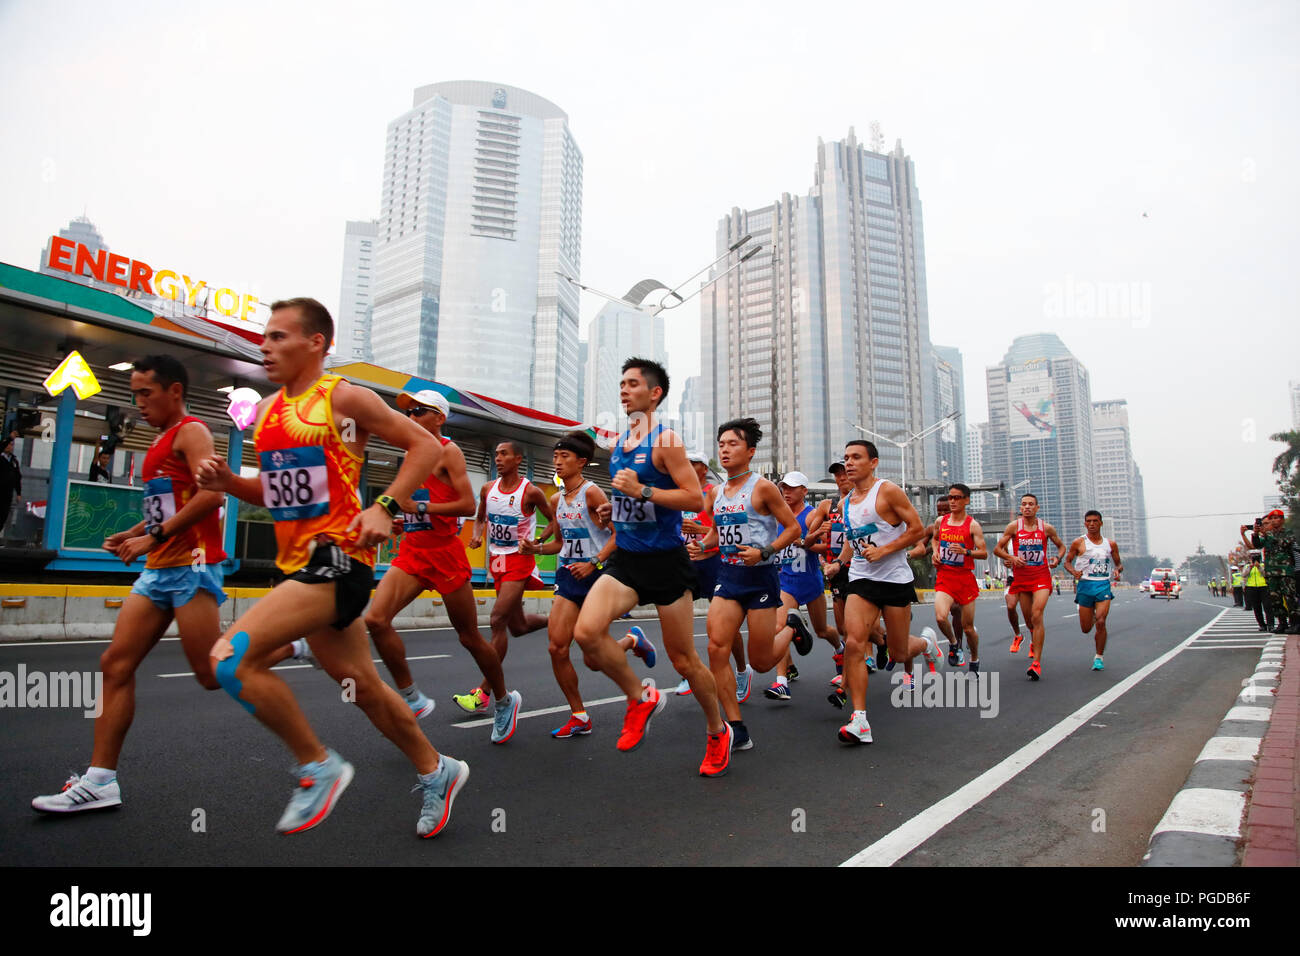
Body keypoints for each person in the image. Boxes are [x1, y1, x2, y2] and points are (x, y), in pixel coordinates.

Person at [194, 297, 470, 837]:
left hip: (340, 560)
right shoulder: (267, 414)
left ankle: (317, 766)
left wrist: (384, 506)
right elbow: (277, 494)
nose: (264, 346)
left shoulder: (342, 396)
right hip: (297, 566)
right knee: (363, 686)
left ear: (316, 342)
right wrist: (229, 483)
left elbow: (423, 446)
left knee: (230, 660)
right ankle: (437, 769)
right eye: (264, 337)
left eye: (278, 336)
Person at [32, 355, 257, 814]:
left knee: (211, 675)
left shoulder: (192, 432)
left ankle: (288, 644)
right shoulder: (158, 441)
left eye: (145, 393)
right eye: (134, 393)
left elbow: (213, 495)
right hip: (157, 569)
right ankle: (100, 781)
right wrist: (134, 533)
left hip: (192, 565)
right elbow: (169, 505)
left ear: (174, 391)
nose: (138, 402)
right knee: (115, 664)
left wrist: (151, 537)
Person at [572, 358, 728, 776]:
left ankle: (717, 730)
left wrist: (641, 490)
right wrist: (614, 508)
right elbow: (631, 499)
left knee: (684, 661)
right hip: (627, 559)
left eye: (633, 384)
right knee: (586, 633)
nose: (624, 390)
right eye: (622, 383)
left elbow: (694, 498)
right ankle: (640, 697)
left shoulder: (667, 441)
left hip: (665, 563)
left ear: (654, 393)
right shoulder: (620, 443)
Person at [361, 389, 511, 738]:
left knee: (469, 637)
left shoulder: (448, 450)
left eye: (419, 411)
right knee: (375, 620)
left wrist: (420, 509)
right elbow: (410, 501)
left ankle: (503, 700)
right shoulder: (410, 452)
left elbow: (467, 506)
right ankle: (412, 697)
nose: (411, 416)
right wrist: (401, 519)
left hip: (445, 555)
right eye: (409, 411)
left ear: (439, 417)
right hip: (413, 552)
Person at [529, 430, 656, 738]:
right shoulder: (556, 499)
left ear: (581, 462)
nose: (558, 462)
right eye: (555, 457)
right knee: (557, 647)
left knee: (593, 660)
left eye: (565, 457)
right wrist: (535, 548)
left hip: (597, 576)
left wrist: (594, 562)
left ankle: (632, 640)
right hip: (568, 576)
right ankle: (579, 715)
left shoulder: (592, 493)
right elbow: (559, 543)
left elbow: (618, 535)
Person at [698, 420, 803, 751]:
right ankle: (736, 725)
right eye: (721, 444)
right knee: (716, 648)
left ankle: (791, 627)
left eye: (733, 444)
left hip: (761, 578)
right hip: (728, 577)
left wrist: (764, 552)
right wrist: (701, 546)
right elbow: (717, 533)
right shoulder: (716, 492)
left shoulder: (764, 488)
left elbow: (793, 529)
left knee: (761, 662)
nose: (725, 450)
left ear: (750, 451)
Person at [832, 439, 936, 744]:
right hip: (861, 578)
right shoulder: (845, 503)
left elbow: (917, 529)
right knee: (854, 642)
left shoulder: (887, 491)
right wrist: (839, 563)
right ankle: (859, 720)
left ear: (873, 462)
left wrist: (885, 550)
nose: (849, 463)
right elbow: (852, 540)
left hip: (894, 580)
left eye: (856, 457)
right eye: (846, 457)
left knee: (899, 652)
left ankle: (927, 644)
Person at [457, 441, 554, 713]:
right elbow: (480, 518)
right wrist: (477, 535)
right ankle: (557, 620)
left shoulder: (530, 492)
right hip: (497, 560)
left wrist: (537, 542)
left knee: (497, 620)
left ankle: (484, 693)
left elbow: (553, 521)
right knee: (517, 626)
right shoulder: (488, 488)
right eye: (496, 454)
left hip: (519, 560)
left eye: (504, 454)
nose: (498, 458)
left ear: (518, 459)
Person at [762, 471, 841, 700]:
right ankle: (781, 682)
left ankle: (840, 649)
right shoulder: (778, 515)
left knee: (822, 630)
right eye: (784, 488)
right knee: (779, 626)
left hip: (809, 580)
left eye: (792, 488)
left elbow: (826, 545)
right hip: (786, 581)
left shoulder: (811, 515)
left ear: (804, 491)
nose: (786, 492)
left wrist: (804, 544)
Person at [677, 451, 749, 698]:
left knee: (724, 625)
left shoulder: (714, 493)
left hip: (714, 562)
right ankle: (689, 672)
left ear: (703, 468)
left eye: (693, 463)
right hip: (687, 563)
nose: (688, 466)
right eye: (686, 462)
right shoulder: (680, 494)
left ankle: (741, 670)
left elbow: (724, 530)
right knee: (680, 621)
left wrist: (700, 529)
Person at [993, 493, 1066, 680]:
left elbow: (1061, 546)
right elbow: (997, 549)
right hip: (1022, 578)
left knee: (1036, 614)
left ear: (1037, 508)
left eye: (1031, 504)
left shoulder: (1046, 528)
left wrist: (1057, 558)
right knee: (1029, 620)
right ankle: (1033, 639)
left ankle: (1036, 663)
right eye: (1024, 504)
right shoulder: (1013, 527)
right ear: (1020, 508)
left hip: (1041, 576)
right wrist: (1011, 558)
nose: (1027, 507)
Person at [927, 483, 988, 674]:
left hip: (965, 580)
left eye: (957, 498)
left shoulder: (973, 525)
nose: (952, 501)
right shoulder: (941, 521)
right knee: (940, 617)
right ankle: (954, 644)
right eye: (950, 497)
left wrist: (966, 552)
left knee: (968, 628)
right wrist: (935, 552)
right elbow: (935, 539)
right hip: (945, 577)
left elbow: (984, 553)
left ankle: (974, 659)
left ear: (966, 500)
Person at [1063, 510, 1123, 670]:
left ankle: (1099, 657)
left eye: (1095, 521)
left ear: (1101, 523)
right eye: (1088, 521)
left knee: (1101, 622)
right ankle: (1093, 616)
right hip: (1085, 586)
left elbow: (1118, 563)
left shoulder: (1110, 544)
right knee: (1086, 628)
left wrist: (1117, 571)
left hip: (1102, 585)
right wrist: (1074, 572)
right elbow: (1067, 562)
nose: (1092, 524)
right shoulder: (1078, 542)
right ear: (1085, 524)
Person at [1243, 510, 1299, 633]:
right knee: (1275, 599)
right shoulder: (1267, 535)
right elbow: (1257, 545)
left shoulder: (1287, 533)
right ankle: (1282, 623)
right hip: (1271, 572)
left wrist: (1267, 534)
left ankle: (1295, 623)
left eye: (1276, 518)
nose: (1273, 520)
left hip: (1285, 571)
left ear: (1282, 520)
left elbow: (1284, 543)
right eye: (1271, 518)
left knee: (1290, 598)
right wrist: (1255, 534)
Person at [1243, 553, 1273, 632]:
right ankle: (1262, 625)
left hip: (1264, 587)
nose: (1255, 560)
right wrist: (1250, 567)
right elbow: (1244, 575)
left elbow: (1266, 574)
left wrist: (1259, 567)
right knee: (1256, 608)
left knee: (1267, 606)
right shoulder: (1247, 566)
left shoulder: (1263, 565)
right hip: (1251, 587)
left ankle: (1270, 625)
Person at [0, 434, 20, 535]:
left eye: (11, 444)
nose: (9, 446)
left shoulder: (14, 461)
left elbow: (18, 477)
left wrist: (18, 492)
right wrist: (10, 438)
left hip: (7, 494)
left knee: (3, 516)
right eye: (7, 444)